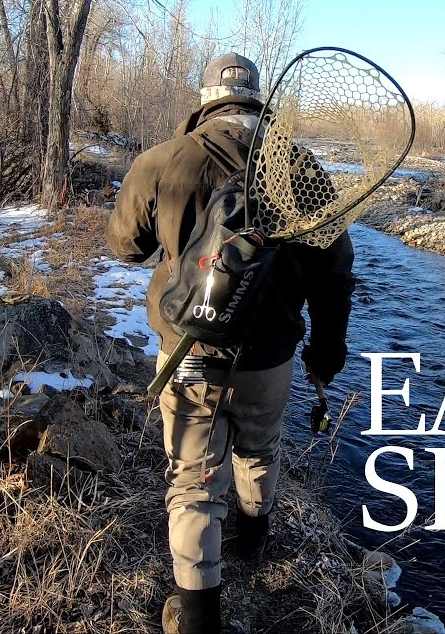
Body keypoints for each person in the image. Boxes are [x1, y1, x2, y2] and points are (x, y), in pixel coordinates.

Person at [106, 52, 355, 634]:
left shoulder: (162, 161)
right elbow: (336, 274)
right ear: (258, 100)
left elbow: (125, 246)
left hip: (190, 350)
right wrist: (326, 354)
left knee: (193, 479)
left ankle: (198, 618)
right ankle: (254, 535)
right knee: (259, 449)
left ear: (206, 98)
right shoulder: (301, 170)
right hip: (269, 358)